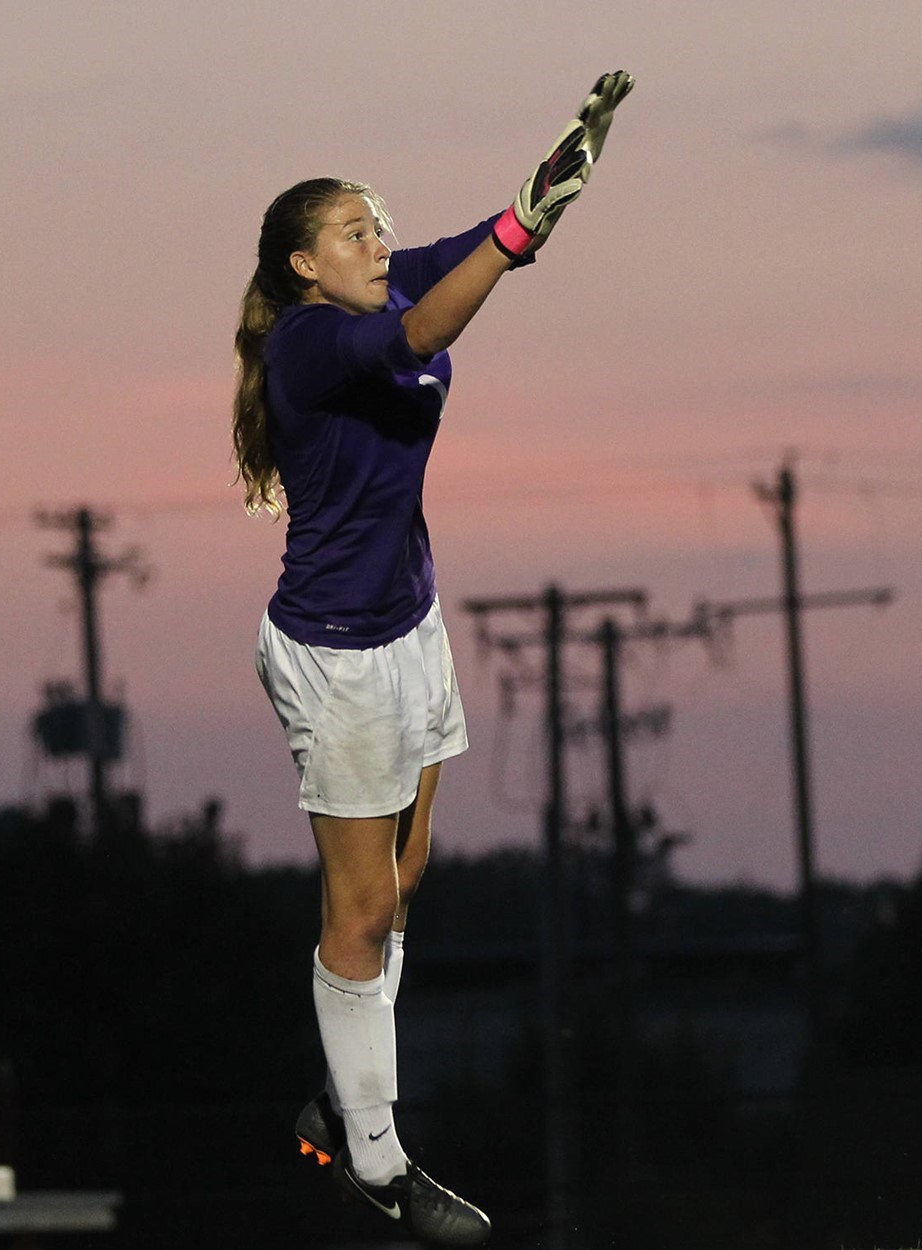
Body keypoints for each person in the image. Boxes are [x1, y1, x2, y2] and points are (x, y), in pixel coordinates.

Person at [232, 71, 633, 1246]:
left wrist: (544, 196)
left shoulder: (388, 279)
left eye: (378, 224)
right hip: (337, 655)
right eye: (353, 229)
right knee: (357, 909)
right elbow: (428, 323)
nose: (379, 239)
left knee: (405, 880)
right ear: (305, 264)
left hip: (410, 624)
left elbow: (475, 251)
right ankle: (375, 1154)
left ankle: (334, 1096)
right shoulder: (311, 343)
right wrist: (515, 231)